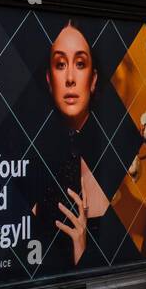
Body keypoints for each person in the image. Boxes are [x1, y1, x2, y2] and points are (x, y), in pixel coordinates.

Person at [35, 21, 110, 267]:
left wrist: (81, 248)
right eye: (60, 64)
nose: (69, 78)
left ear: (93, 79)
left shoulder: (109, 159)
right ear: (49, 79)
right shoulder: (34, 161)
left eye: (80, 64)